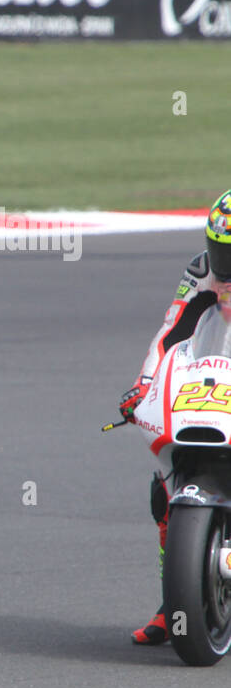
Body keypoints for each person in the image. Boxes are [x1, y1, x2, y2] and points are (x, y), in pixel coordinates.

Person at [120, 189, 231, 645]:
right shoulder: (202, 273)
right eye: (224, 251)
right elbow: (171, 332)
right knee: (165, 493)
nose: (228, 264)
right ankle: (176, 605)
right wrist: (145, 385)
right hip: (217, 385)